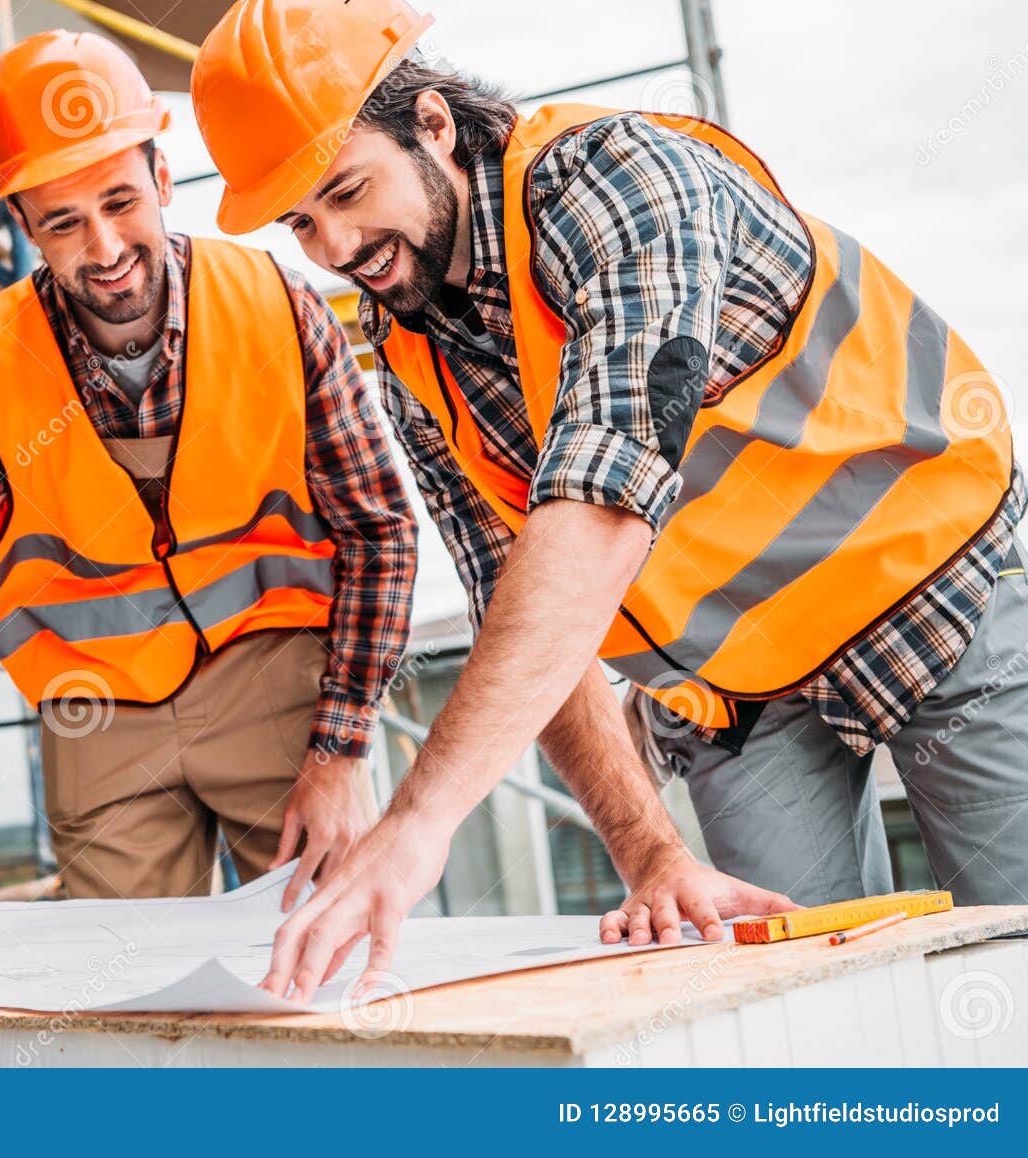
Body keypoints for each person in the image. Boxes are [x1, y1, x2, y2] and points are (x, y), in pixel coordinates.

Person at [191, 0, 1025, 1002]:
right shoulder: (409, 353)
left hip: (932, 589)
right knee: (798, 994)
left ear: (433, 125)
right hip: (731, 694)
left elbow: (601, 506)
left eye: (345, 191)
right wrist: (650, 855)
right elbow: (521, 611)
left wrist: (415, 825)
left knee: (1012, 951)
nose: (333, 246)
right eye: (299, 222)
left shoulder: (621, 183)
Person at [0, 30, 417, 930]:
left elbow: (379, 529)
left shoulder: (279, 308)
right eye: (64, 222)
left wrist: (341, 751)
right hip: (100, 718)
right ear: (24, 225)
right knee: (128, 988)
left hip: (280, 694)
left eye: (120, 200)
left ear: (162, 177)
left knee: (328, 953)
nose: (105, 246)